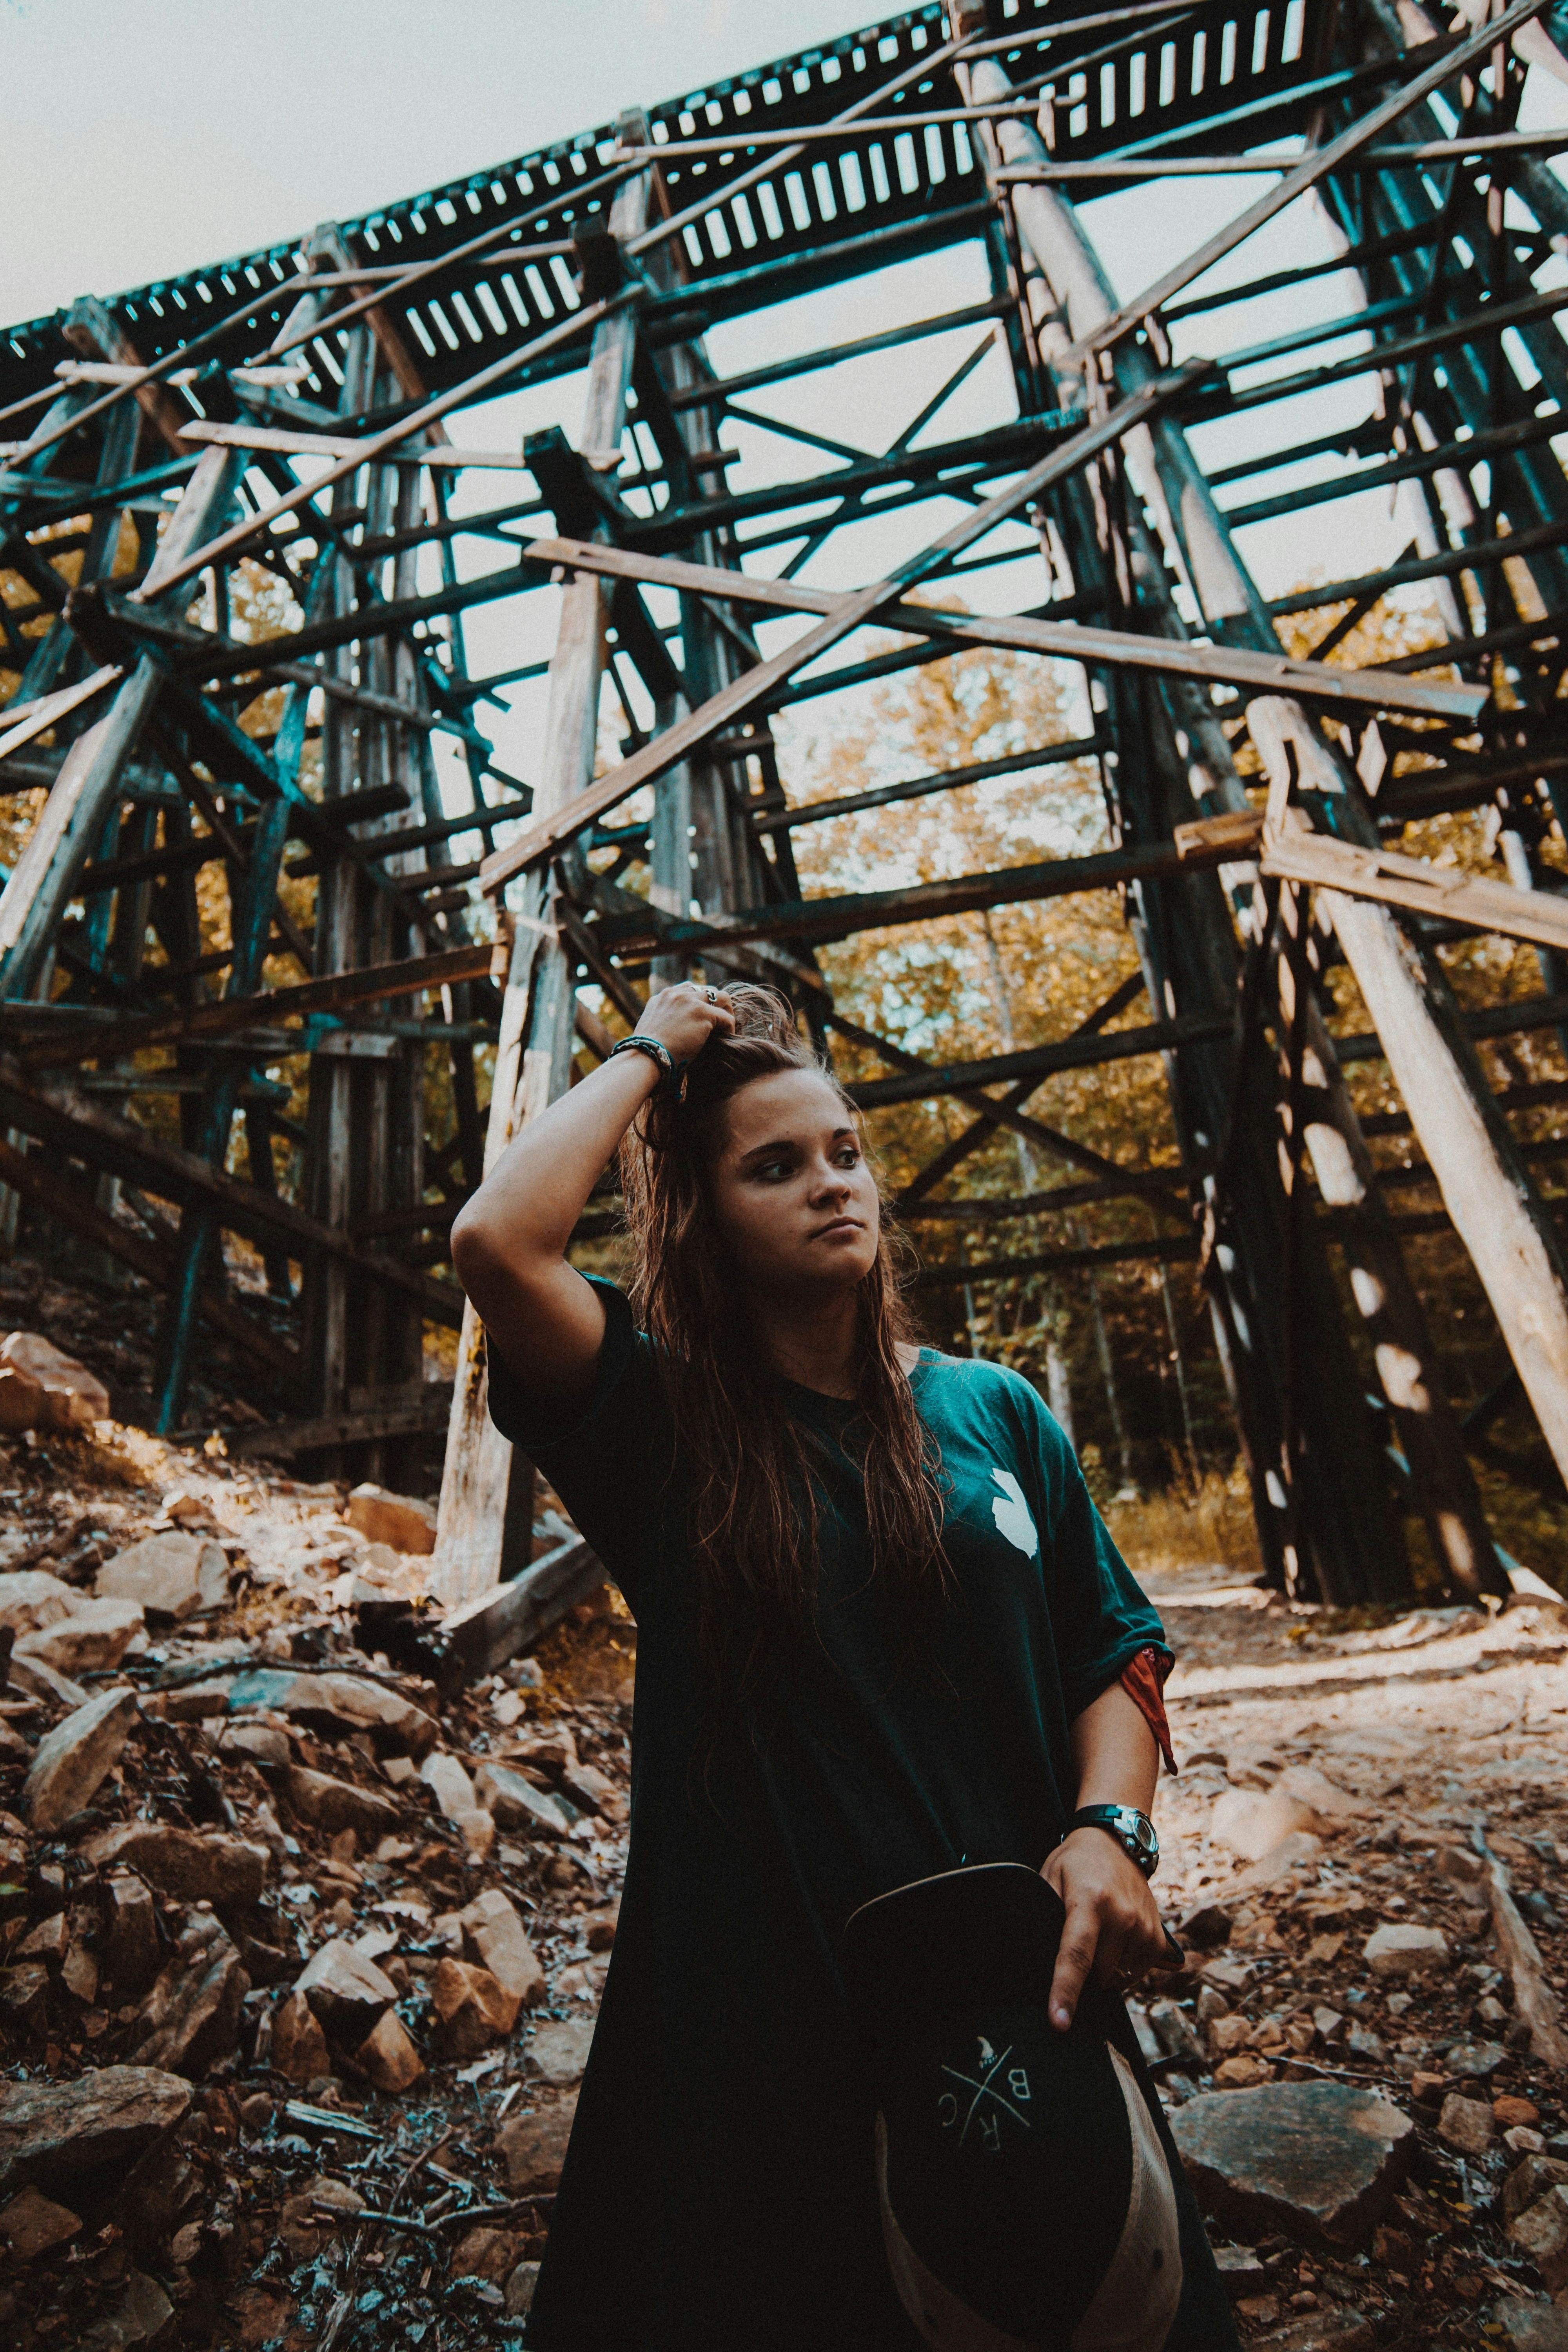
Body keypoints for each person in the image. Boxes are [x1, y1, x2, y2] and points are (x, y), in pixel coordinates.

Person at [451, 980, 1238, 2352]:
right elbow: (498, 1242)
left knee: (1086, 2299)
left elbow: (1112, 1651)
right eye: (775, 1167)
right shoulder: (663, 1420)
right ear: (704, 1218)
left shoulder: (992, 1408)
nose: (832, 1186)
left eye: (845, 1153)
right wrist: (655, 1052)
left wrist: (1114, 1831)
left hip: (1011, 1976)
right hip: (762, 2008)